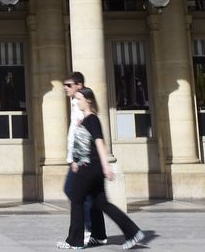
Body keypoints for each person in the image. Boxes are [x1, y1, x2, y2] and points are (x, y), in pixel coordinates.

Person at [58, 87, 145, 250]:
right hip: (91, 167)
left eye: (79, 98)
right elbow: (84, 145)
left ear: (88, 100)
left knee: (76, 199)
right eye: (75, 99)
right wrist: (76, 161)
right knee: (102, 203)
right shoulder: (85, 121)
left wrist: (106, 166)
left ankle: (74, 241)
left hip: (90, 168)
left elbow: (99, 142)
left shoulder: (92, 119)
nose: (76, 102)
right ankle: (133, 232)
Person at [61, 72, 100, 245]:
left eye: (69, 85)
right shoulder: (75, 103)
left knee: (73, 191)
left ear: (79, 85)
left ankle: (87, 230)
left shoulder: (83, 105)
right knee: (91, 197)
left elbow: (84, 134)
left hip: (82, 159)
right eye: (65, 85)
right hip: (77, 157)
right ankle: (97, 233)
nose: (65, 88)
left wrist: (76, 159)